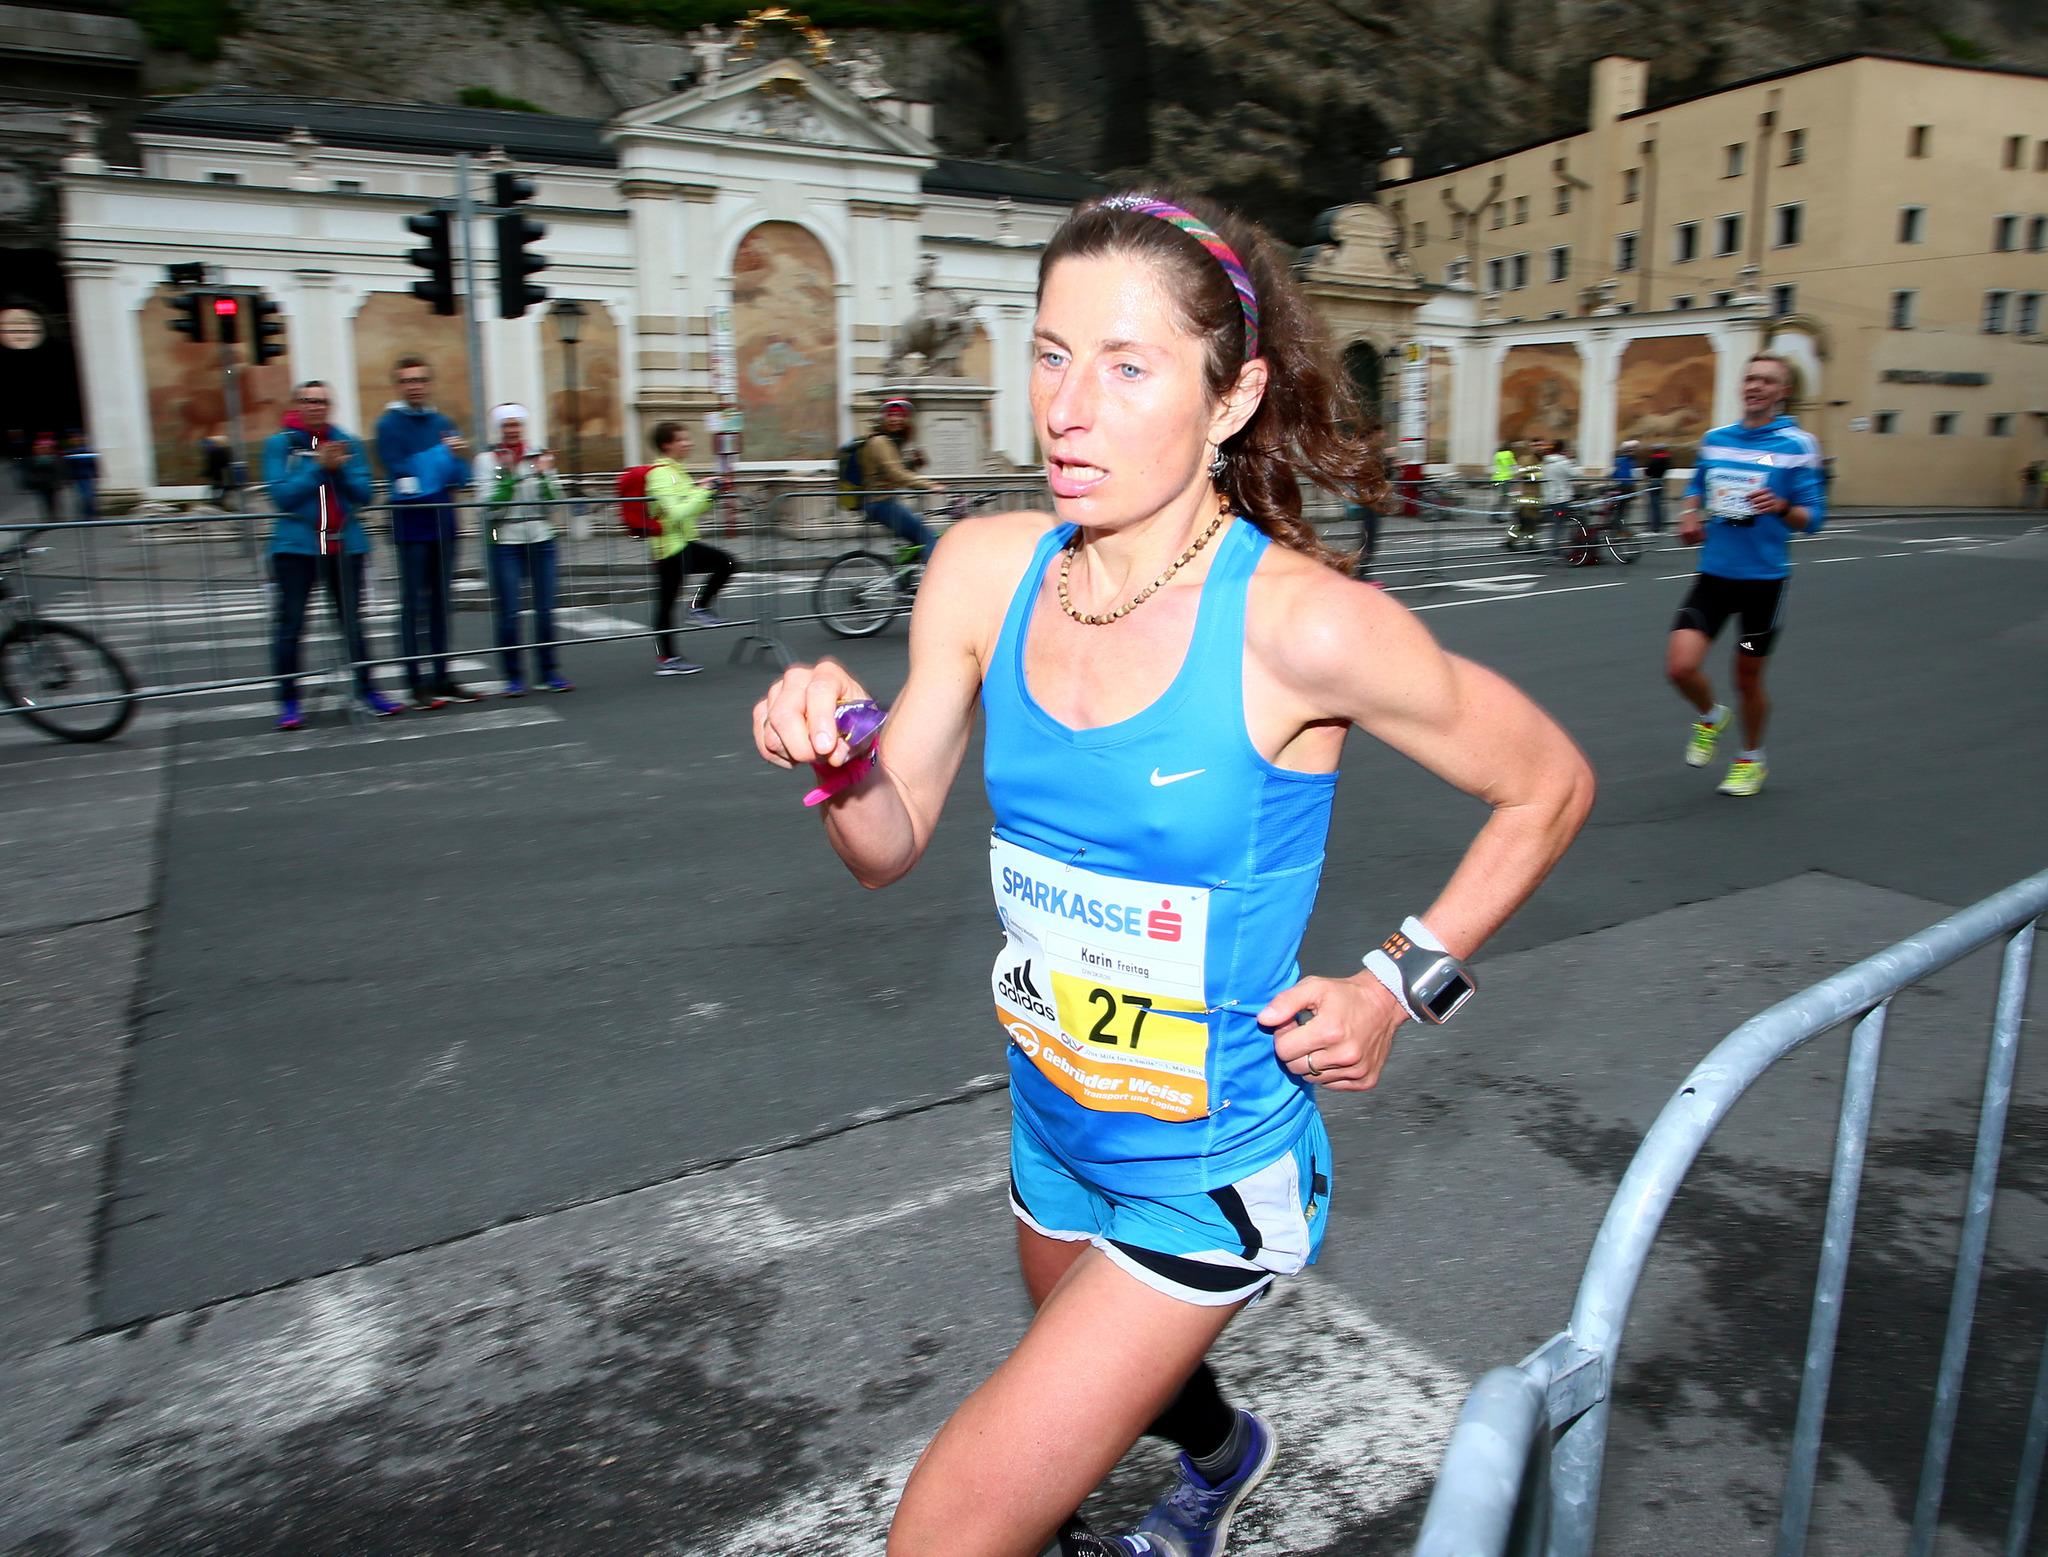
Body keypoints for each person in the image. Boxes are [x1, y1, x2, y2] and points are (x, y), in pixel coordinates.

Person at [754, 190, 1593, 1557]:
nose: (1069, 409)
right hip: (1053, 1118)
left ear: (1229, 396)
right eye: (1050, 354)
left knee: (947, 1532)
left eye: (1128, 366)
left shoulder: (1305, 626)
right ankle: (1225, 1453)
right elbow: (883, 846)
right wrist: (834, 760)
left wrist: (1396, 987)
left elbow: (1548, 782)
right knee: (1094, 1379)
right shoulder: (979, 569)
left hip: (1210, 1160)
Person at [1668, 353, 1825, 798]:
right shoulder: (1716, 439)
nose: (1756, 386)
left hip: (1763, 583)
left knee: (1746, 679)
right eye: (1751, 378)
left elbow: (1814, 518)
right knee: (1680, 667)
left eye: (1768, 381)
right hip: (1715, 576)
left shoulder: (1799, 445)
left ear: (1783, 392)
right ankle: (1711, 717)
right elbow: (1698, 483)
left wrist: (1781, 507)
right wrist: (1689, 513)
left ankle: (1750, 759)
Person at [261, 382, 404, 728]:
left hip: (345, 546)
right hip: (297, 549)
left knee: (353, 625)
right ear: (297, 405)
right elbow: (282, 496)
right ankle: (289, 701)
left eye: (322, 402)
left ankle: (368, 689)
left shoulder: (347, 442)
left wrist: (337, 468)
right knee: (291, 626)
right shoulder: (279, 445)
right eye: (308, 401)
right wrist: (319, 468)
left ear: (330, 406)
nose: (316, 407)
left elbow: (364, 493)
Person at [376, 356, 478, 708]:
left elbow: (461, 477)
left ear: (428, 383)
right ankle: (415, 682)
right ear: (399, 386)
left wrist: (459, 458)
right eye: (407, 381)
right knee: (413, 604)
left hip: (444, 523)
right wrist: (445, 459)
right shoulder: (388, 425)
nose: (414, 385)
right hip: (410, 524)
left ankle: (442, 676)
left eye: (420, 379)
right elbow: (402, 472)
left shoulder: (442, 422)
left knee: (441, 604)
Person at [476, 405, 571, 696]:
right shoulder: (486, 460)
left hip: (541, 538)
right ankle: (513, 677)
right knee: (510, 612)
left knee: (545, 609)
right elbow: (488, 507)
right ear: (499, 429)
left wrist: (543, 477)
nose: (512, 430)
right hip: (505, 540)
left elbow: (555, 500)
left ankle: (548, 672)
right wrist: (509, 478)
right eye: (507, 425)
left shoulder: (538, 454)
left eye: (517, 425)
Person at [644, 420, 735, 676]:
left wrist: (708, 493)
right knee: (726, 563)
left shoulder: (676, 471)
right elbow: (676, 513)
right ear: (667, 445)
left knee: (666, 603)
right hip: (671, 547)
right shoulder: (660, 473)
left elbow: (691, 508)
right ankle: (697, 610)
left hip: (679, 543)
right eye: (682, 439)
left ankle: (668, 657)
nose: (689, 443)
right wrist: (701, 491)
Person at [860, 397, 946, 563]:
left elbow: (888, 472)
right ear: (883, 418)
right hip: (880, 503)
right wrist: (930, 485)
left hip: (883, 502)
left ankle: (904, 582)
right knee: (929, 539)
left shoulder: (890, 441)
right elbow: (895, 474)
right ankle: (936, 584)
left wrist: (913, 464)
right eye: (891, 415)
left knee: (917, 539)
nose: (896, 419)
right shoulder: (880, 441)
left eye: (900, 415)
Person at [1538, 439, 1576, 548]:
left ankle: (1554, 548)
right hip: (1562, 497)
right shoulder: (1563, 462)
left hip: (1550, 497)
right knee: (1559, 525)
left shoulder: (1545, 463)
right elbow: (1572, 473)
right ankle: (1555, 549)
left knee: (1556, 524)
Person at [63, 432, 97, 522]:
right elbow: (67, 466)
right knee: (82, 497)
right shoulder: (70, 452)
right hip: (77, 478)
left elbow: (93, 464)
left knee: (87, 496)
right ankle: (87, 513)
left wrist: (95, 474)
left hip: (86, 477)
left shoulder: (88, 451)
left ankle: (89, 513)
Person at [1643, 442, 1672, 533]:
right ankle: (1660, 525)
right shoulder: (1666, 459)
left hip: (1653, 482)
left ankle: (1654, 527)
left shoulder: (1654, 460)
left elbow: (1648, 472)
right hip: (1661, 481)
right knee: (1659, 505)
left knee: (1653, 505)